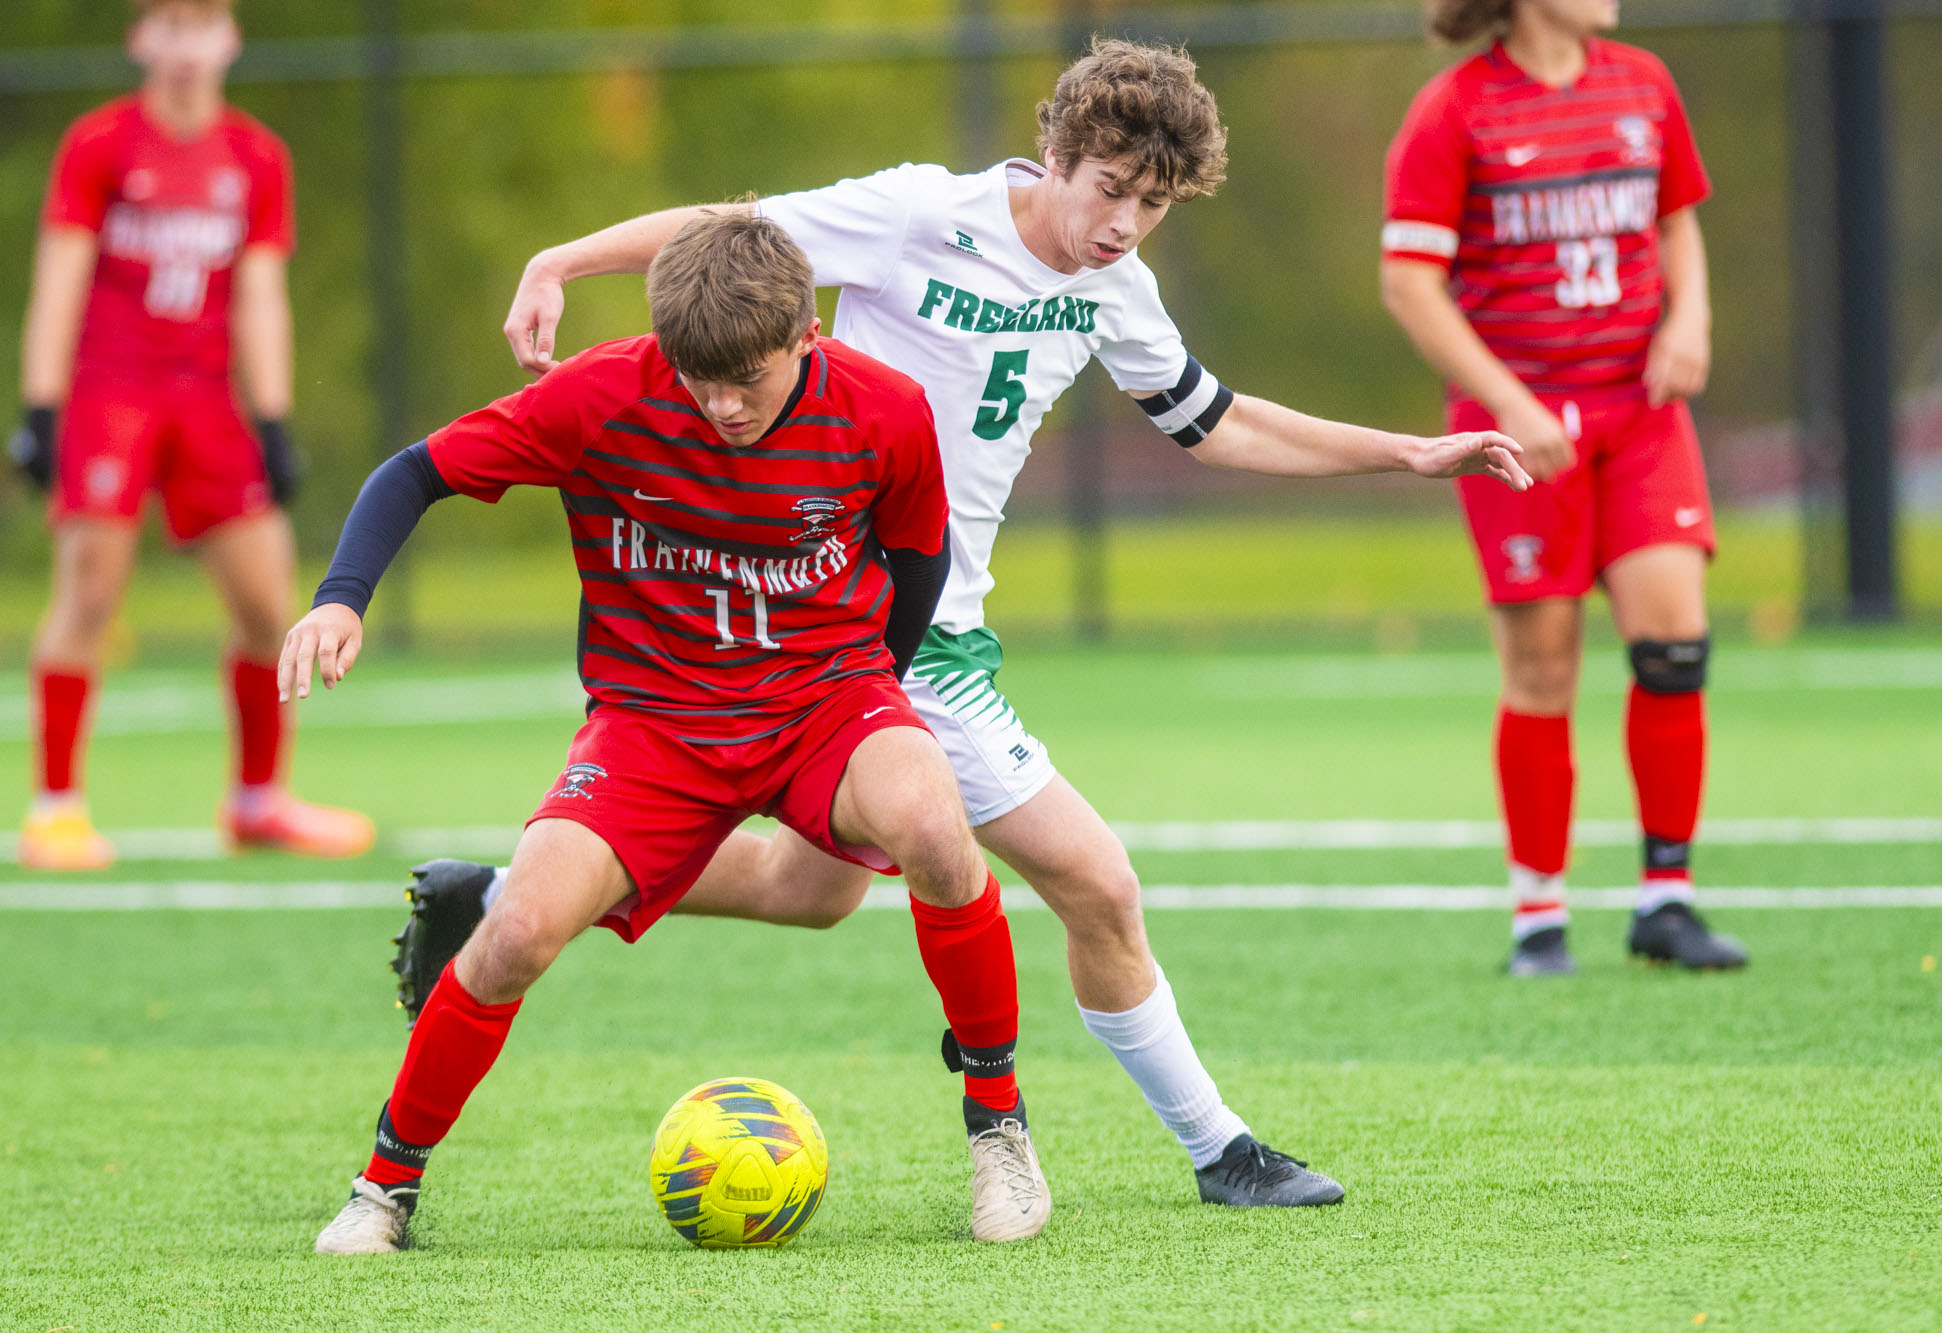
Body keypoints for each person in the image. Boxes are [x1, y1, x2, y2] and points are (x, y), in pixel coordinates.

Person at [398, 37, 1530, 1209]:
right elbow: (727, 232)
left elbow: (1217, 422)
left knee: (815, 891)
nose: (1124, 222)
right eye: (1109, 189)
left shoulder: (1114, 291)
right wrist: (562, 259)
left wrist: (1402, 452)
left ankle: (506, 898)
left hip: (934, 617)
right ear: (1055, 151)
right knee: (1097, 882)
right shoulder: (918, 214)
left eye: (1152, 203)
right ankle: (1216, 1150)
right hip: (874, 620)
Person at [301, 213, 1051, 1254]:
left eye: (745, 376)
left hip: (825, 700)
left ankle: (998, 1127)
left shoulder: (884, 411)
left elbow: (917, 558)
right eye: (699, 379)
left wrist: (873, 696)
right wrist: (341, 598)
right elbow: (413, 473)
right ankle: (383, 1189)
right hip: (654, 721)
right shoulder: (602, 394)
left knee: (925, 824)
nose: (721, 403)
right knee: (517, 934)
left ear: (806, 334)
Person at [1380, 0, 1746, 974]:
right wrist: (1510, 402)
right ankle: (1537, 918)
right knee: (1542, 669)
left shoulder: (1642, 83)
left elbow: (1677, 222)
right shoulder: (1452, 111)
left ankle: (1665, 901)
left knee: (1671, 645)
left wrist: (1689, 319)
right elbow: (1408, 282)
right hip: (1518, 437)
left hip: (1639, 414)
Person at [9, 0, 372, 869]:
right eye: (167, 25)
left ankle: (257, 799)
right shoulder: (98, 145)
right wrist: (40, 406)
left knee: (264, 599)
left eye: (203, 25)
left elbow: (258, 294)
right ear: (139, 39)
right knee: (90, 594)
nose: (186, 46)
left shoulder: (255, 157)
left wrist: (274, 418)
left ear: (231, 40)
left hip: (208, 397)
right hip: (112, 391)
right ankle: (56, 806)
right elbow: (58, 279)